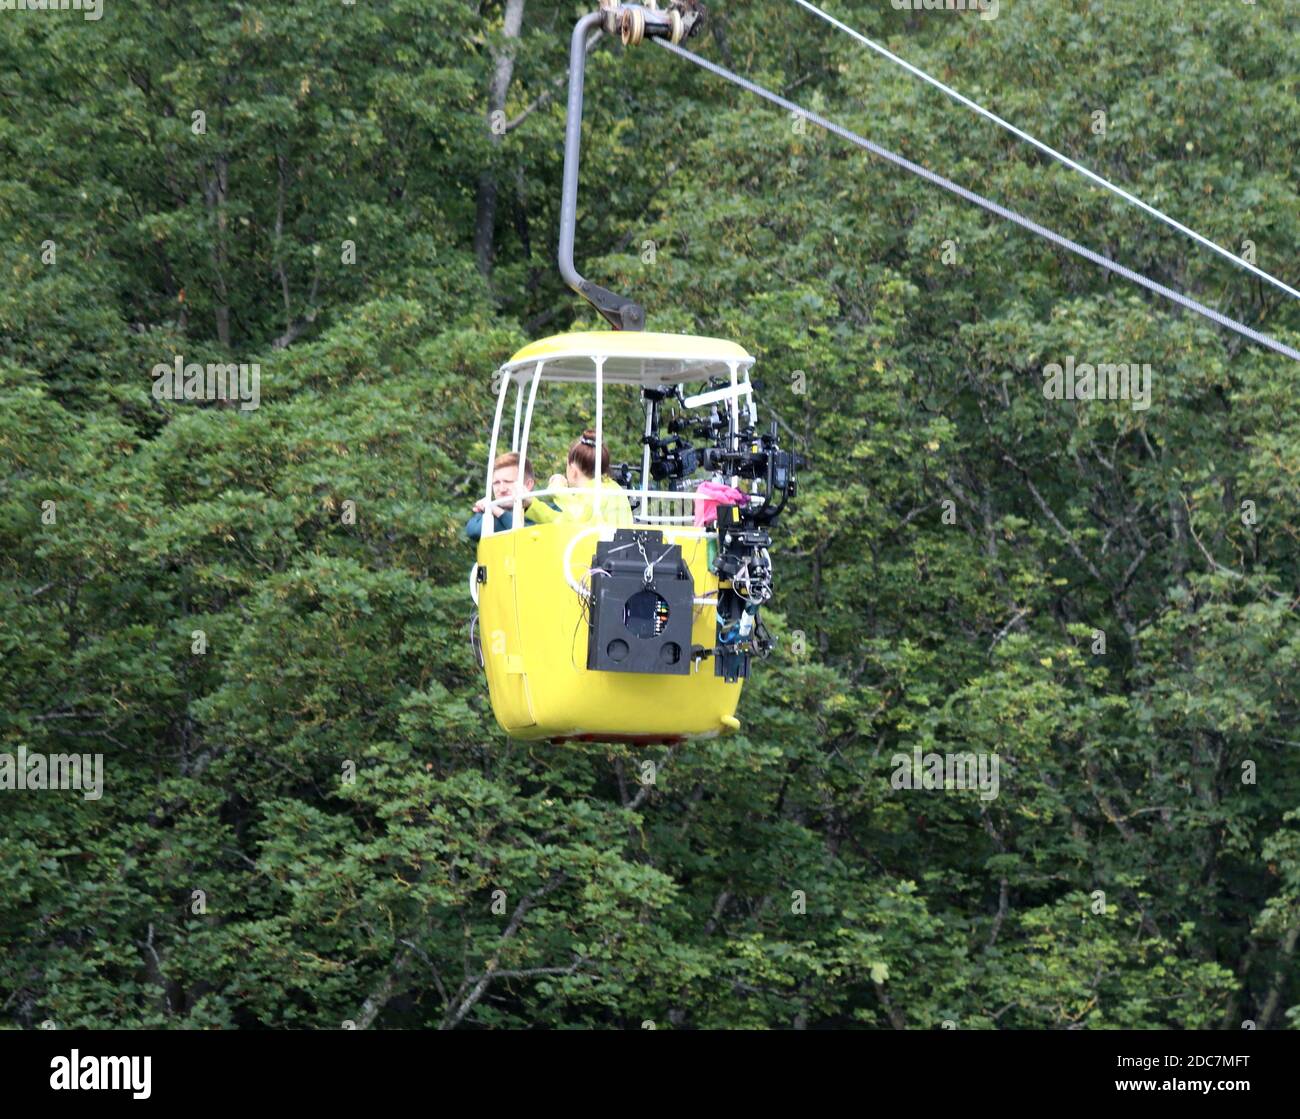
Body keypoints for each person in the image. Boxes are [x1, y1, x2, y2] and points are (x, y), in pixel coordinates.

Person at [526, 430, 633, 527]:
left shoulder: (594, 493)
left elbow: (579, 516)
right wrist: (531, 505)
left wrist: (558, 490)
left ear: (573, 470)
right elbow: (565, 522)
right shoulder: (613, 488)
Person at [464, 452, 543, 542]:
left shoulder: (547, 512)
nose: (502, 489)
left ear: (528, 485)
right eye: (496, 483)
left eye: (508, 482)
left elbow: (531, 538)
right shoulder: (489, 512)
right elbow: (475, 532)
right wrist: (490, 509)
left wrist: (501, 514)